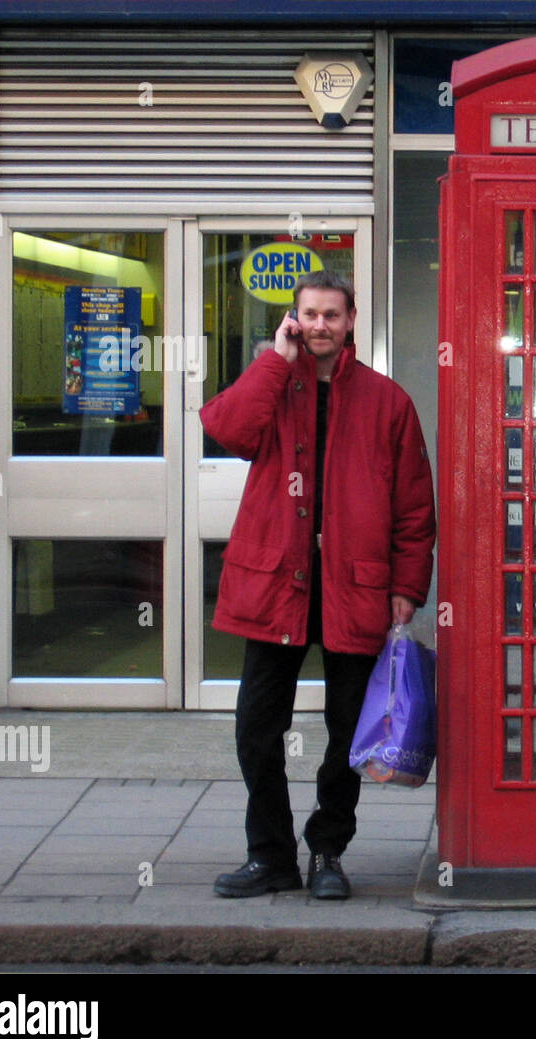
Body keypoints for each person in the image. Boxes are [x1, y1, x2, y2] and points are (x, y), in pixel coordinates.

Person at [200, 269, 435, 900]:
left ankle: (327, 850)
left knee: (346, 734)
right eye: (309, 315)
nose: (320, 326)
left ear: (352, 319)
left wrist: (407, 589)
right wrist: (274, 363)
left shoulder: (388, 402)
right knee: (256, 726)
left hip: (354, 590)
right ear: (293, 320)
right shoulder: (273, 385)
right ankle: (271, 855)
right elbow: (228, 430)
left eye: (332, 315)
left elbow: (414, 509)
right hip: (277, 586)